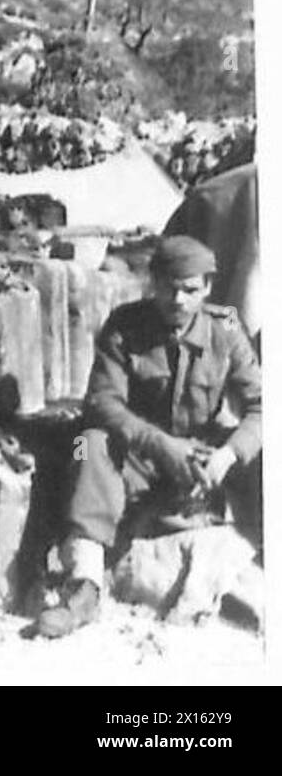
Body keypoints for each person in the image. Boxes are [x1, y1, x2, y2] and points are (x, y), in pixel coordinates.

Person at [36, 235, 262, 638]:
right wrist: (161, 445)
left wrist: (228, 455)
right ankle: (84, 587)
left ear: (207, 287)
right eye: (169, 288)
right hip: (138, 458)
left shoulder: (225, 327)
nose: (178, 300)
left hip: (201, 462)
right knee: (90, 441)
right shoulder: (125, 325)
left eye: (190, 290)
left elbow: (264, 406)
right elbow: (102, 403)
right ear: (153, 283)